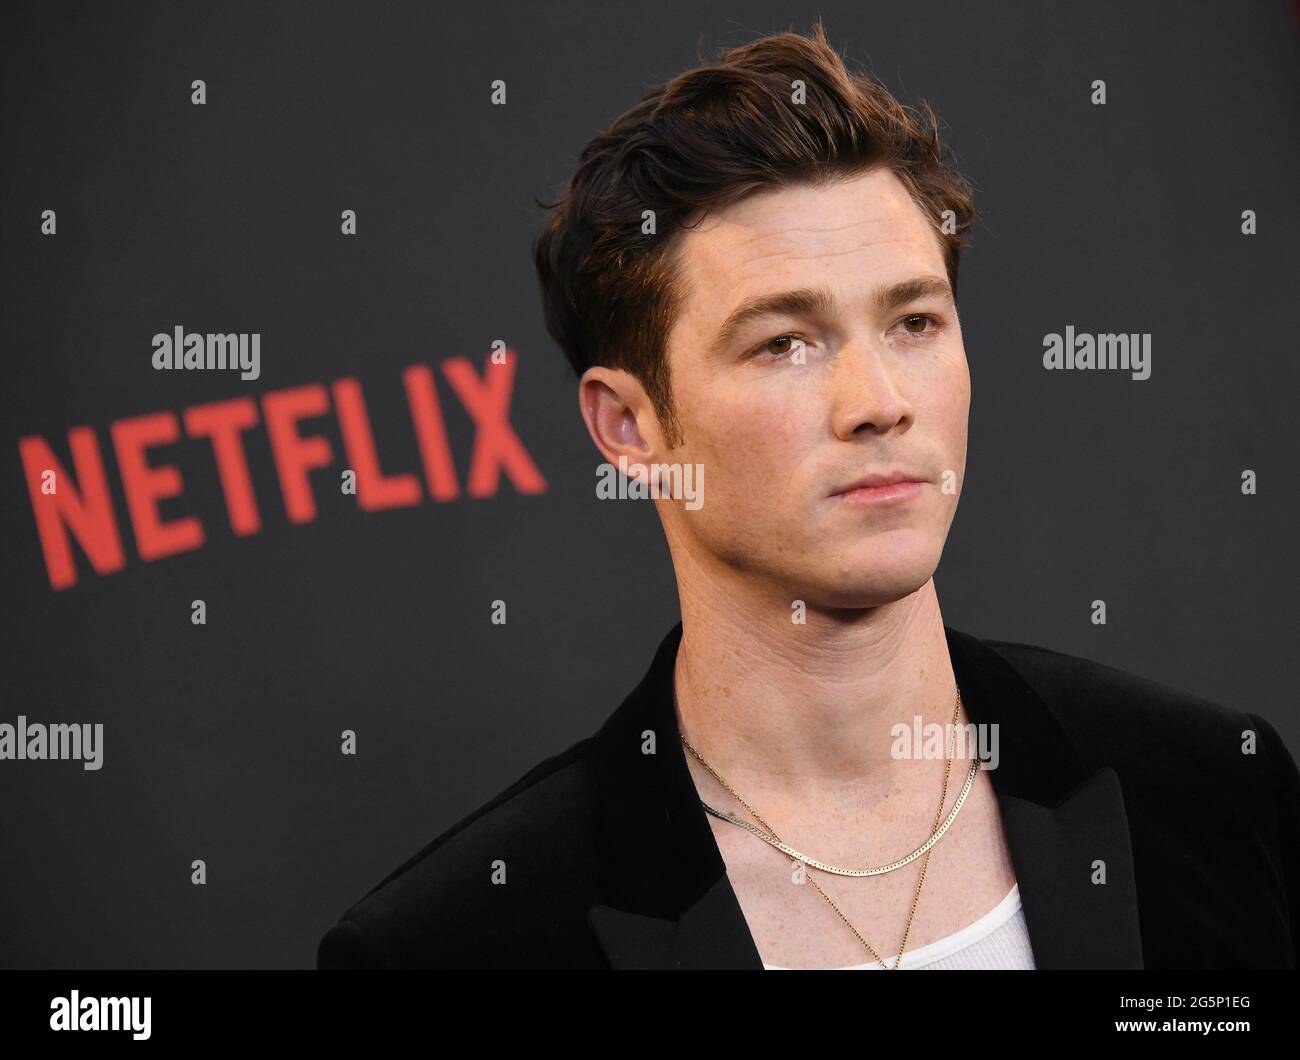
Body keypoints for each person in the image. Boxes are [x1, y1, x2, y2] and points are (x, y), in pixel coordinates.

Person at [317, 21, 1299, 970]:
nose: (878, 403)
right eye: (783, 343)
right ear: (628, 428)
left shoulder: (1213, 792)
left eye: (914, 322)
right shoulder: (463, 941)